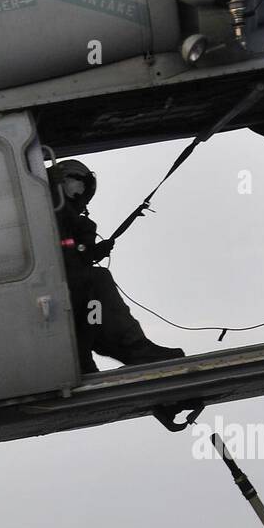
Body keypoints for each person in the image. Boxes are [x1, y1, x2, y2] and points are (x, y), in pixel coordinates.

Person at [48, 159, 185, 373]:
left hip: (61, 290)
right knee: (97, 283)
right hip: (52, 289)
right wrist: (86, 245)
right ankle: (132, 347)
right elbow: (63, 245)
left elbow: (68, 251)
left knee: (93, 307)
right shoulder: (51, 210)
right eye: (78, 185)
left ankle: (86, 354)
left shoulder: (58, 213)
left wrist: (88, 251)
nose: (81, 195)